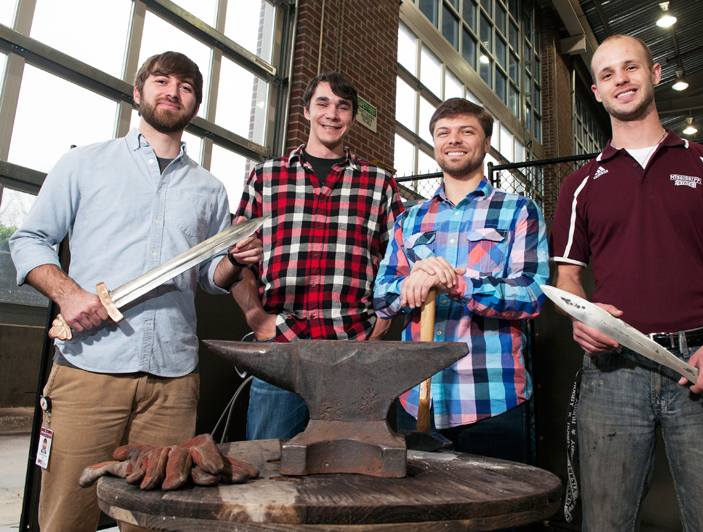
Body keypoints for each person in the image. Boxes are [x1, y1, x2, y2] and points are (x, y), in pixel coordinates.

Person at [10, 51, 260, 532]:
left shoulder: (209, 189)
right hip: (90, 367)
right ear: (138, 92)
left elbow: (207, 277)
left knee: (158, 519)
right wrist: (68, 294)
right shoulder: (83, 164)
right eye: (161, 80)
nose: (172, 91)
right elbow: (30, 239)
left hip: (172, 381)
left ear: (195, 104)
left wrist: (232, 260)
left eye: (185, 86)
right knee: (67, 515)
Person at [550, 35, 703, 530]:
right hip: (612, 373)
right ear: (597, 92)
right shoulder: (578, 185)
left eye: (631, 67)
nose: (621, 80)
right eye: (608, 74)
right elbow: (567, 278)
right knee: (605, 524)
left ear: (655, 73)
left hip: (701, 367)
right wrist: (582, 317)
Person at [374, 98, 550, 462]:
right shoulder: (409, 219)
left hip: (491, 401)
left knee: (496, 501)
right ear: (435, 143)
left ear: (486, 143)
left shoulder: (519, 210)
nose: (453, 139)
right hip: (417, 400)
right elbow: (382, 298)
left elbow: (532, 294)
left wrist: (457, 285)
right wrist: (413, 284)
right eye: (444, 133)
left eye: (466, 131)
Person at [232, 72, 404, 440]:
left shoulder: (380, 184)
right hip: (282, 349)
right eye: (323, 103)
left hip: (353, 349)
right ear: (307, 110)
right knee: (269, 462)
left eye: (343, 107)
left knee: (350, 466)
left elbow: (399, 262)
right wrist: (256, 318)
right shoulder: (266, 177)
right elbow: (239, 259)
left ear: (352, 117)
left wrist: (382, 323)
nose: (332, 114)